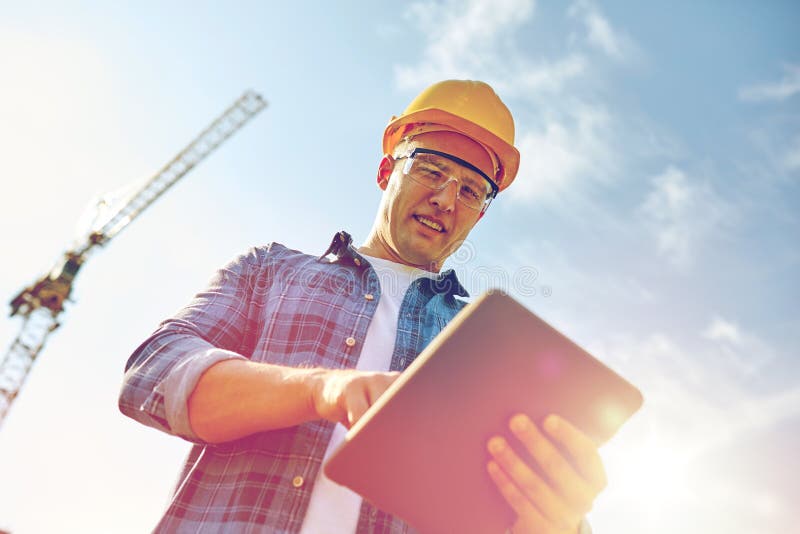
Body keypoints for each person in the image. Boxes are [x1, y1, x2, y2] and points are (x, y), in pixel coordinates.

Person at [119, 80, 606, 534]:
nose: (445, 199)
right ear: (385, 172)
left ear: (478, 214)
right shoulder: (270, 270)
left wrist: (557, 521)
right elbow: (153, 374)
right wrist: (320, 389)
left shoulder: (489, 348)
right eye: (431, 170)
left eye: (470, 190)